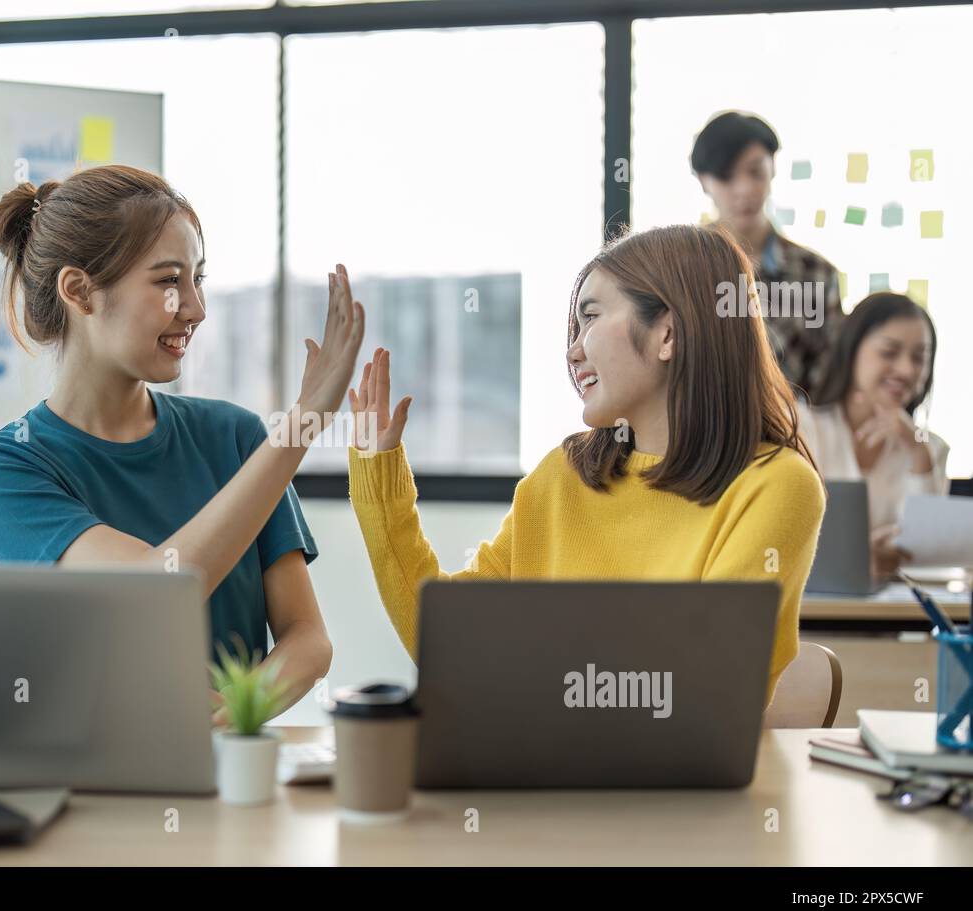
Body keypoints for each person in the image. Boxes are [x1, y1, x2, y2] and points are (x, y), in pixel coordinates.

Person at [347, 225, 825, 707]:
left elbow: (700, 685)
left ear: (669, 333)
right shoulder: (563, 476)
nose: (573, 351)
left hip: (674, 782)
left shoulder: (776, 486)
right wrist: (379, 484)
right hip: (542, 768)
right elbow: (448, 642)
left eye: (591, 318)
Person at [0, 165, 365, 722]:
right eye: (169, 281)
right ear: (79, 291)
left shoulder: (236, 438)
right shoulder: (2, 469)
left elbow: (306, 637)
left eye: (197, 280)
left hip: (229, 777)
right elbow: (154, 586)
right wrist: (299, 430)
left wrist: (227, 722)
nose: (195, 308)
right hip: (92, 779)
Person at [691, 110, 845, 398]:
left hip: (791, 435)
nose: (744, 189)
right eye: (726, 177)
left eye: (755, 172)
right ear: (703, 181)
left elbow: (831, 381)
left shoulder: (817, 273)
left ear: (773, 169)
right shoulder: (680, 267)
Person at [802, 291, 948, 581]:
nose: (907, 370)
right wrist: (856, 556)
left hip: (892, 619)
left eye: (919, 358)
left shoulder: (930, 448)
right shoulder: (804, 427)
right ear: (852, 350)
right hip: (813, 616)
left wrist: (918, 453)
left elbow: (932, 557)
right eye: (889, 353)